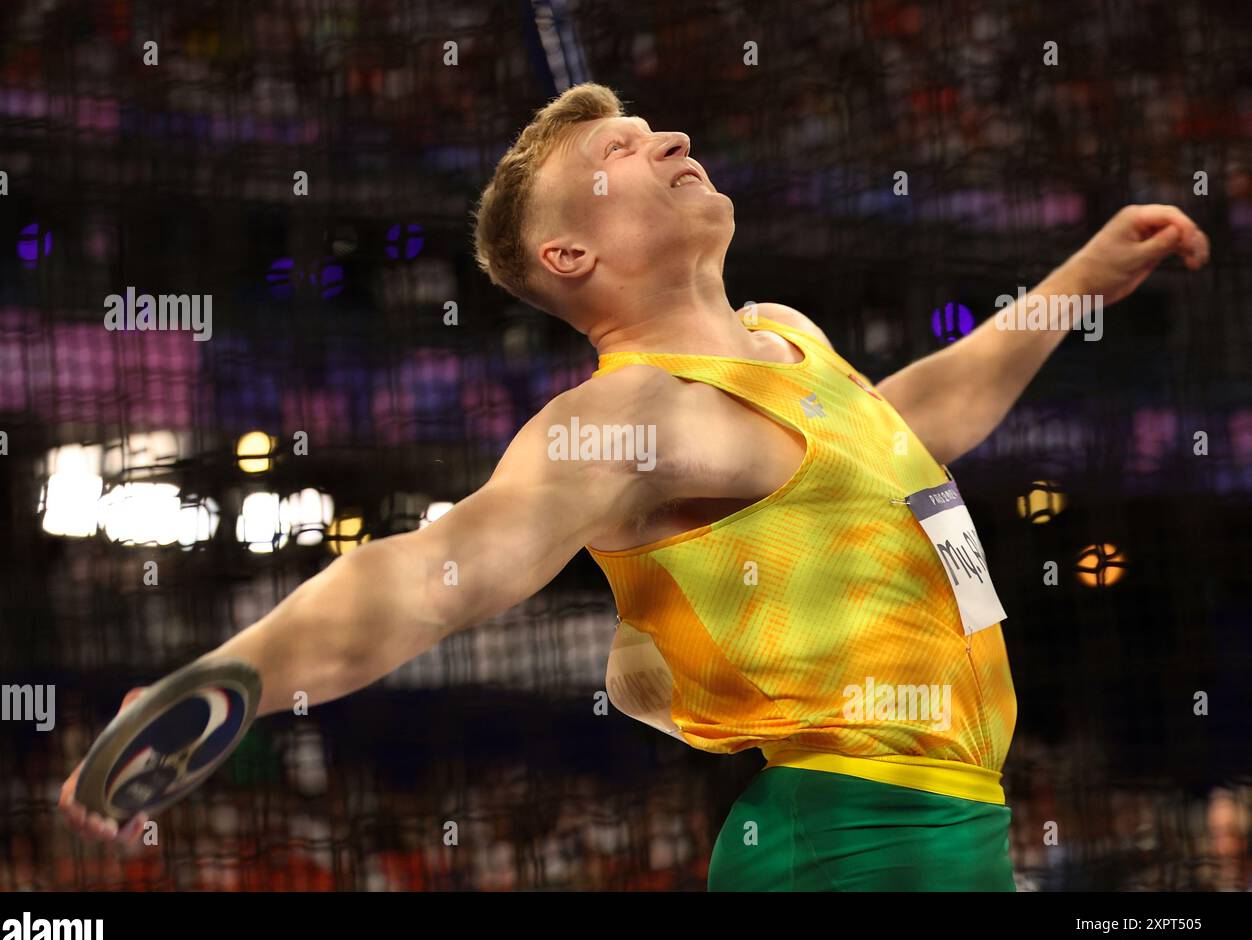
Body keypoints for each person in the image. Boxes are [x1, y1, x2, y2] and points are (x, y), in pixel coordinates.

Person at [60, 82, 1210, 890]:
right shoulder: (625, 416)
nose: (667, 138)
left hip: (953, 820)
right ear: (569, 254)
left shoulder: (784, 339)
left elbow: (910, 427)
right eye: (618, 150)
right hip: (852, 836)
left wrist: (1078, 286)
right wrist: (234, 677)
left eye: (654, 128)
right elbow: (433, 574)